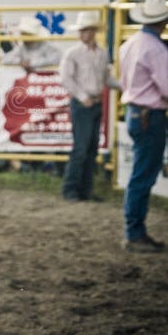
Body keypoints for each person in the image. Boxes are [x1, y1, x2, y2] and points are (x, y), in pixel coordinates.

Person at [118, 0, 168, 252]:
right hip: (151, 115)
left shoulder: (129, 44)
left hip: (136, 111)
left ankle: (134, 229)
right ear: (164, 22)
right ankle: (134, 232)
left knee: (140, 172)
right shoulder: (156, 48)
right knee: (143, 174)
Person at [58, 11, 120, 201]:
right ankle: (71, 189)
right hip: (83, 103)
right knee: (81, 148)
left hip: (94, 103)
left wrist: (123, 86)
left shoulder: (102, 53)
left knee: (91, 148)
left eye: (88, 30)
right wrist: (83, 96)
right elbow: (66, 79)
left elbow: (105, 78)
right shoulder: (73, 53)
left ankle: (84, 189)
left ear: (93, 32)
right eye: (83, 30)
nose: (85, 34)